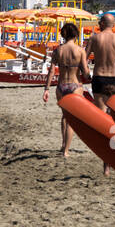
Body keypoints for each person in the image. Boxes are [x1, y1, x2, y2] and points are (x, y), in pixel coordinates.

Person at [43, 22, 90, 157]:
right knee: (72, 119)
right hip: (75, 86)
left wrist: (46, 89)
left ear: (64, 35)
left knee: (64, 117)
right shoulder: (80, 50)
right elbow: (86, 72)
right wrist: (88, 75)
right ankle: (66, 151)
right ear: (75, 35)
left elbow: (51, 71)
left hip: (61, 86)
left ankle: (63, 144)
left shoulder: (58, 50)